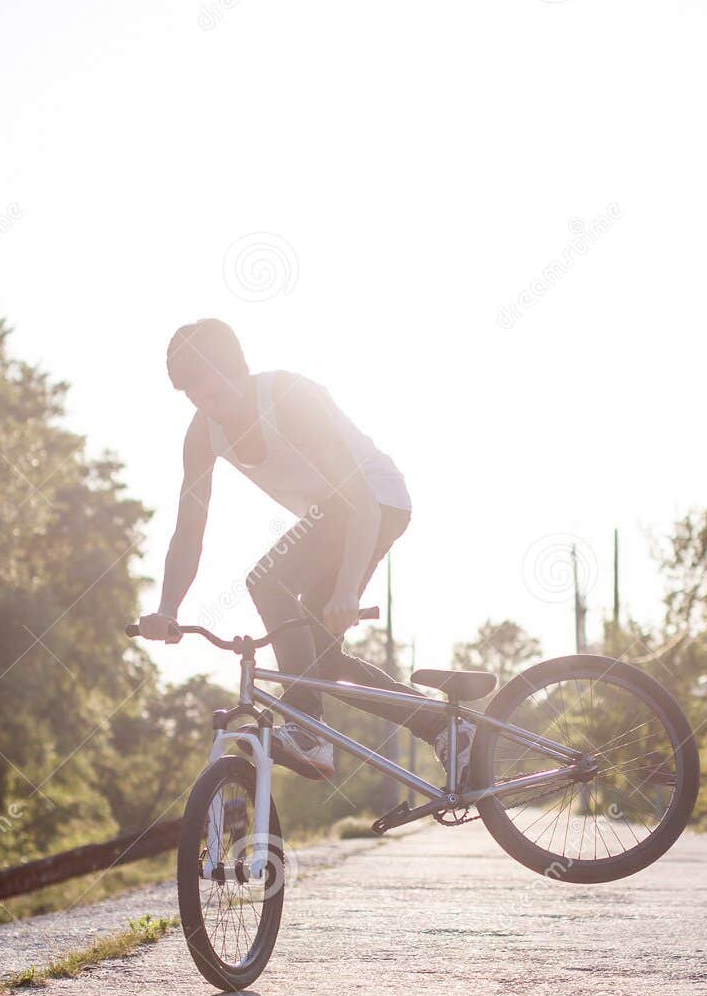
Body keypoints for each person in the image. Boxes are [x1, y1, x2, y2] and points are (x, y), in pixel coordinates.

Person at [137, 318, 473, 781]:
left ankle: (307, 724)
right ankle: (445, 728)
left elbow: (360, 503)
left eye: (210, 392)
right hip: (328, 516)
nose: (203, 405)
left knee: (266, 579)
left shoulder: (287, 399)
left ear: (236, 370)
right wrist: (167, 608)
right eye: (191, 395)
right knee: (321, 662)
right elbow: (190, 529)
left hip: (375, 500)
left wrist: (348, 591)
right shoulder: (202, 432)